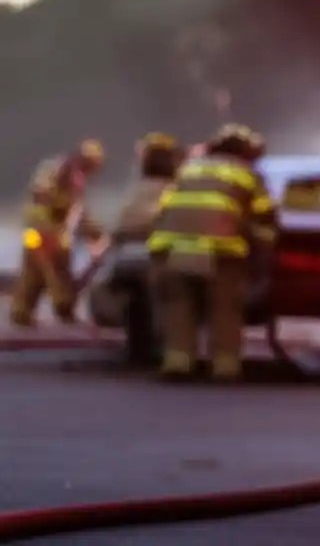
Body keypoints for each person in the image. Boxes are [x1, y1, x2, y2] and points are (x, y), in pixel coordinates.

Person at [147, 124, 276, 381]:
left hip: (172, 247)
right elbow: (264, 216)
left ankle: (178, 362)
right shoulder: (245, 173)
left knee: (179, 306)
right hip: (220, 250)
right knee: (225, 307)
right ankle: (225, 367)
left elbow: (163, 209)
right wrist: (266, 251)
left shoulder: (189, 168)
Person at [94, 132, 183, 363]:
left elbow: (120, 227)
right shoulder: (174, 189)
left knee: (138, 301)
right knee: (169, 298)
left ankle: (139, 346)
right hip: (157, 257)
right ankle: (165, 347)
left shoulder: (137, 191)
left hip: (126, 258)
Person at [12, 139, 108, 326]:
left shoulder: (60, 169)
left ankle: (21, 312)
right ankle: (65, 310)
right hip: (48, 231)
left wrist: (93, 231)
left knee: (33, 272)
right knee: (59, 269)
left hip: (34, 229)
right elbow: (72, 209)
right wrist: (96, 233)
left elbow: (75, 211)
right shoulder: (70, 174)